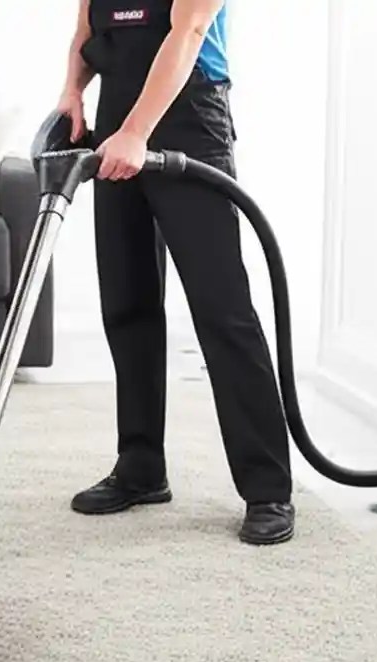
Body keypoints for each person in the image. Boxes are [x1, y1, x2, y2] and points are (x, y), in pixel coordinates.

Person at [56, 0, 296, 545]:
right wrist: (72, 91)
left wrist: (138, 133)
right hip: (118, 120)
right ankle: (140, 467)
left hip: (187, 118)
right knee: (127, 298)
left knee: (221, 306)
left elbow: (187, 32)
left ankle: (267, 489)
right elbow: (86, 32)